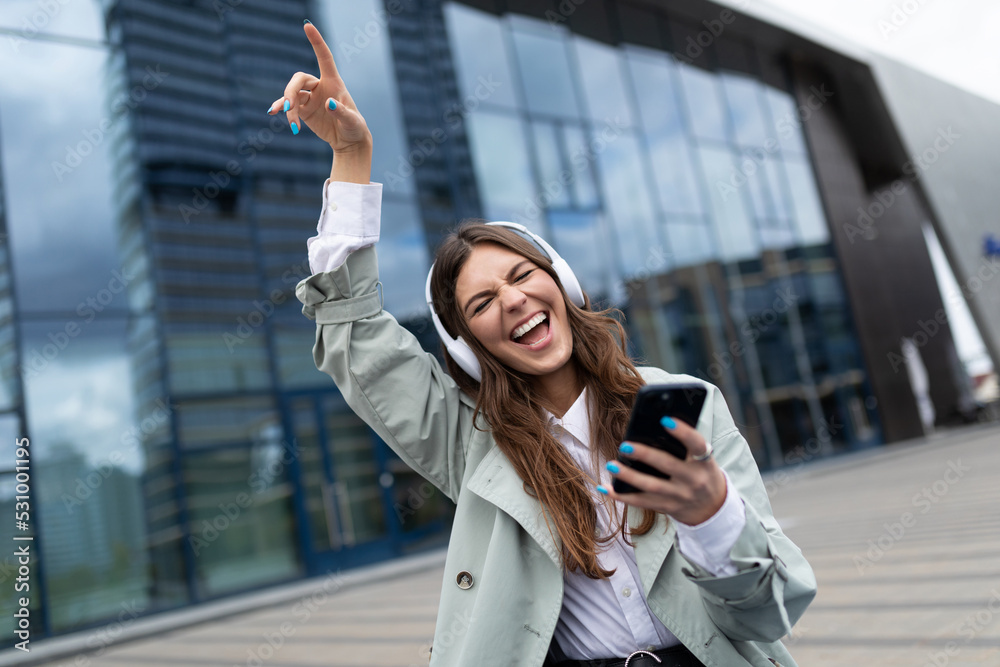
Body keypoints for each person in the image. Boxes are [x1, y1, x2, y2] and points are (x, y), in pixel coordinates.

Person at [283, 22, 815, 667]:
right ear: (466, 345)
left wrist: (711, 515)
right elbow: (356, 335)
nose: (511, 301)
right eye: (481, 304)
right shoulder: (470, 444)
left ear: (561, 283)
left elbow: (771, 610)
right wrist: (350, 156)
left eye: (521, 276)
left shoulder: (683, 405)